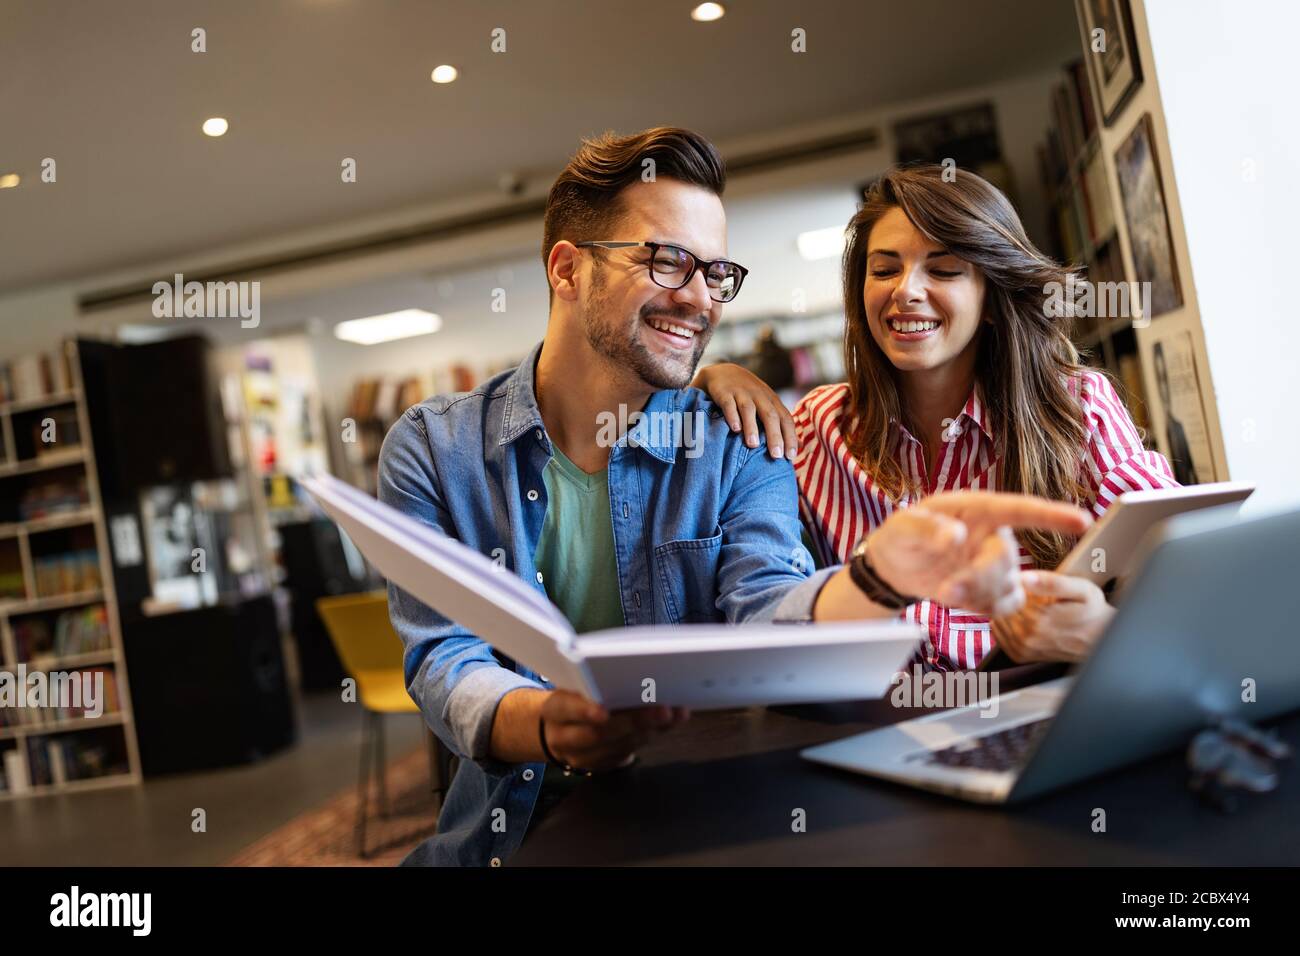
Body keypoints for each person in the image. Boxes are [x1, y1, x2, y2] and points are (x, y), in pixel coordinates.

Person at [379, 132, 1090, 866]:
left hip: (701, 816)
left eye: (715, 272)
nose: (699, 298)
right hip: (503, 830)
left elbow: (767, 600)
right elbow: (444, 660)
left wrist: (878, 575)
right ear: (567, 268)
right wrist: (547, 722)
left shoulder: (737, 441)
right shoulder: (435, 450)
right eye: (666, 260)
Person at [694, 164, 1176, 671]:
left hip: (1041, 712)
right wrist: (712, 378)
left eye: (943, 270)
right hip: (887, 727)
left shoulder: (1078, 408)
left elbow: (1179, 565)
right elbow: (771, 607)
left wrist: (1104, 633)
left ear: (992, 299)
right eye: (884, 270)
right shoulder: (819, 427)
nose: (906, 290)